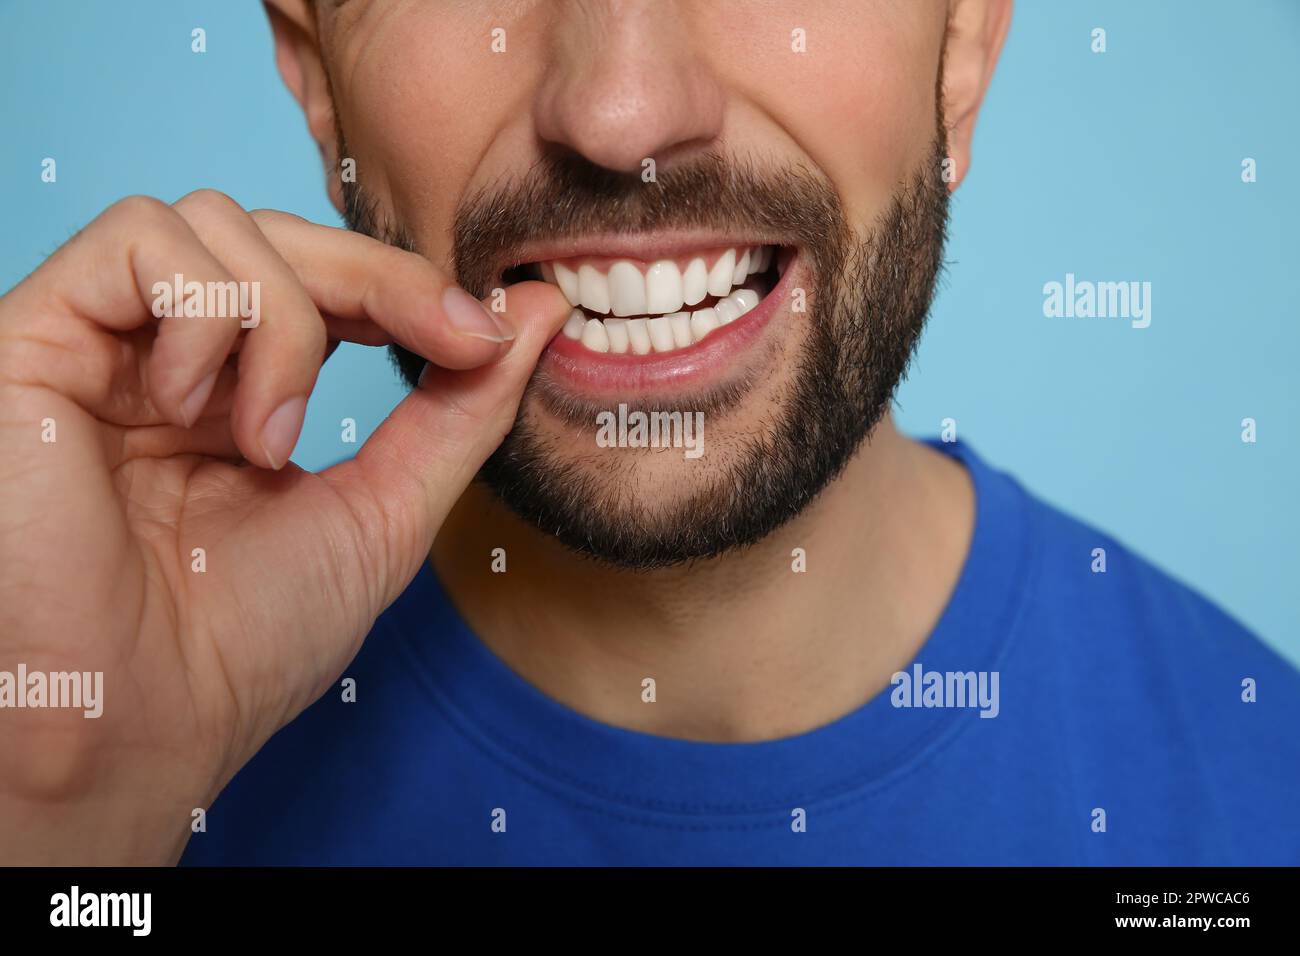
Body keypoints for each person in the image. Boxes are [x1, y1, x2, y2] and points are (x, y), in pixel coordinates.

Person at [1, 0, 1295, 866]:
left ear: (961, 48)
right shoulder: (99, 750)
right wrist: (55, 817)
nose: (622, 114)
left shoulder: (1259, 801)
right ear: (316, 74)